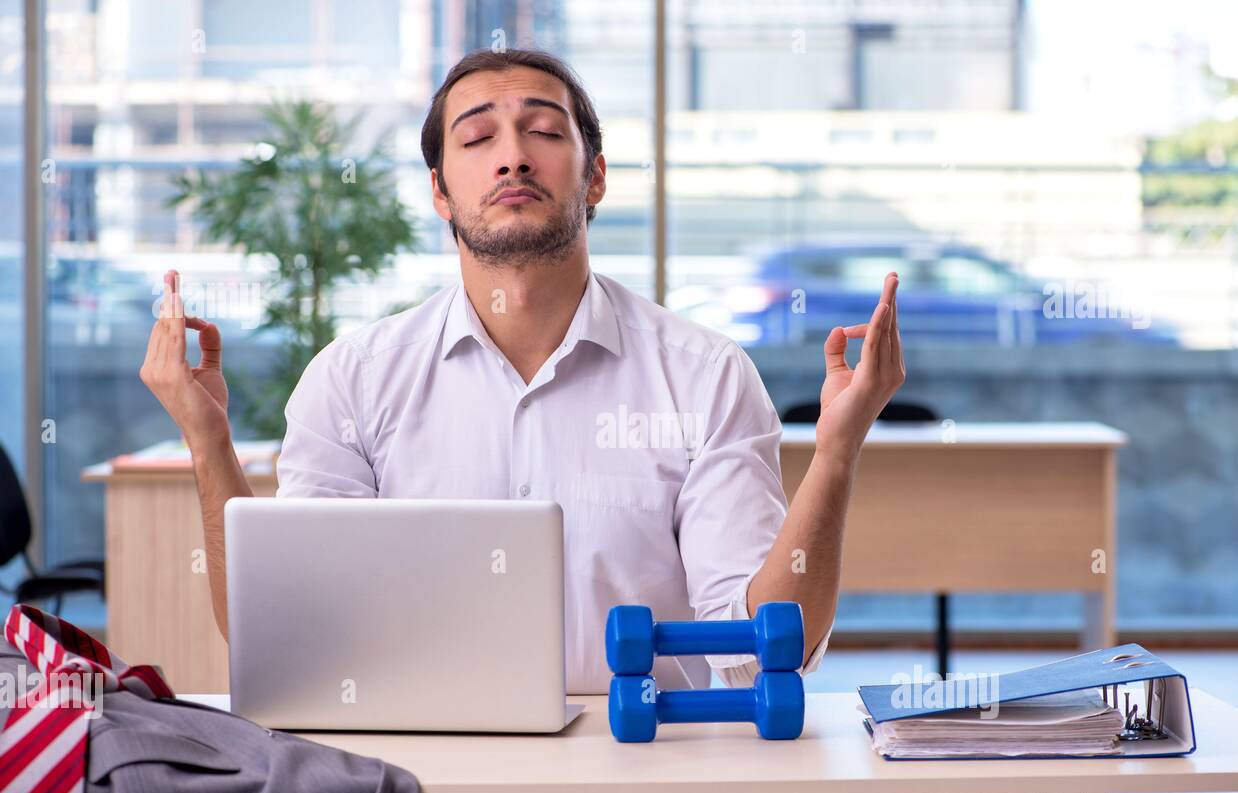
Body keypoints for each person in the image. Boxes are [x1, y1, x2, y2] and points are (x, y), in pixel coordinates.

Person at [139, 48, 904, 693]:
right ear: (439, 191)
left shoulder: (705, 377)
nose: (512, 155)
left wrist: (836, 451)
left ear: (594, 177)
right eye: (477, 139)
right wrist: (209, 442)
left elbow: (761, 656)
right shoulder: (353, 382)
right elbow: (286, 635)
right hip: (417, 784)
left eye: (543, 130)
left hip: (643, 779)